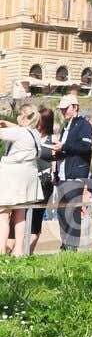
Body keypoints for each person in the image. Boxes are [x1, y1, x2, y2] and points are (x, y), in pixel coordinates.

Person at [0, 104, 44, 256]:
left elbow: (7, 133)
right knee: (20, 215)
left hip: (12, 177)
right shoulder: (35, 133)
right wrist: (7, 123)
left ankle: (1, 250)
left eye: (19, 114)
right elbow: (23, 130)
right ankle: (18, 250)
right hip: (27, 177)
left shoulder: (18, 133)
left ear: (24, 116)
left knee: (3, 215)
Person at [53, 91, 92, 251]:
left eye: (65, 108)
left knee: (73, 212)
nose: (63, 111)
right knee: (62, 212)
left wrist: (64, 146)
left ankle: (72, 247)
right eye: (61, 109)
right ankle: (65, 245)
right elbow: (68, 150)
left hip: (75, 176)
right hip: (63, 176)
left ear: (75, 107)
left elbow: (85, 147)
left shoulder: (84, 125)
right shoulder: (66, 127)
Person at [28, 107, 56, 253]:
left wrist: (54, 174)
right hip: (29, 180)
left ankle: (29, 252)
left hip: (44, 182)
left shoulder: (53, 139)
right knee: (23, 214)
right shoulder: (32, 135)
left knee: (37, 217)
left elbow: (56, 160)